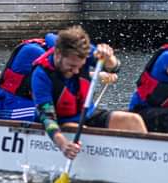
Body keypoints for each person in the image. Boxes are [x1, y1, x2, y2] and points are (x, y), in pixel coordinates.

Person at [30, 25, 145, 158]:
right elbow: (47, 118)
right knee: (82, 130)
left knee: (133, 120)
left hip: (87, 114)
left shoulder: (87, 51)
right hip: (61, 122)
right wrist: (63, 145)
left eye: (80, 66)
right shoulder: (41, 75)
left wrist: (108, 58)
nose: (76, 72)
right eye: (71, 66)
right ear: (57, 54)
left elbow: (114, 68)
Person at [0, 33, 57, 120]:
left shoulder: (52, 52)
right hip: (6, 106)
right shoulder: (35, 52)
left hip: (20, 102)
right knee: (53, 116)